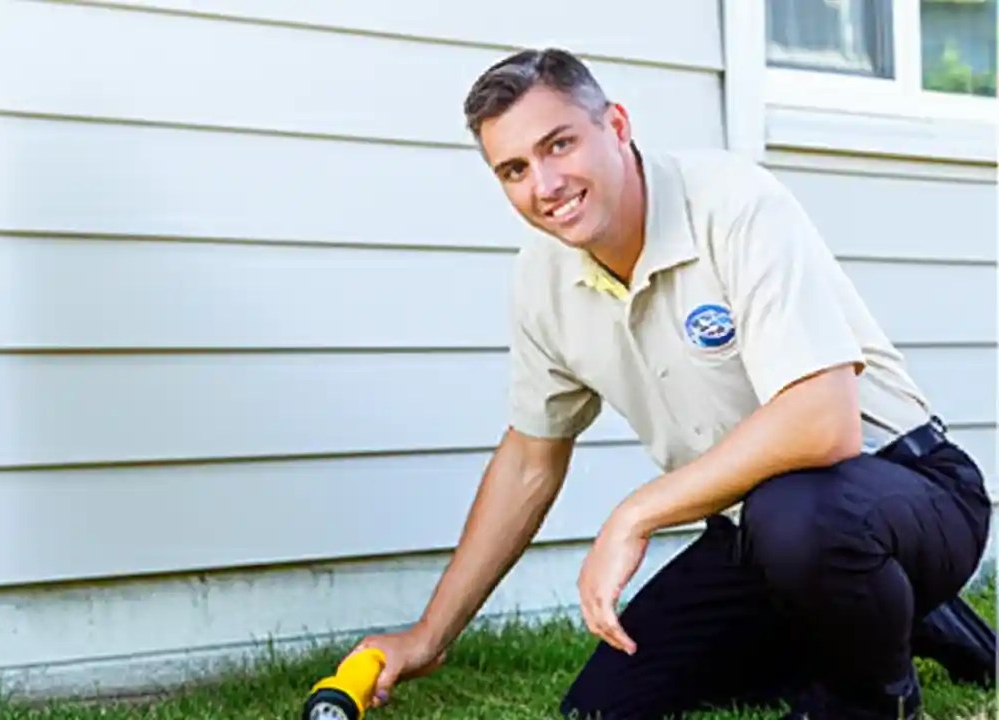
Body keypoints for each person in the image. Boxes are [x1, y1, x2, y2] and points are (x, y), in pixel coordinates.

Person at [345, 48, 995, 719]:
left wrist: (636, 513)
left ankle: (872, 698)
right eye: (514, 169)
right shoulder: (543, 279)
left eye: (559, 144)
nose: (545, 184)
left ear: (617, 126)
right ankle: (904, 617)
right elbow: (529, 464)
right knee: (603, 708)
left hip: (907, 489)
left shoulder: (732, 203)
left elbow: (823, 422)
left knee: (799, 517)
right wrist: (430, 634)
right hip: (757, 530)